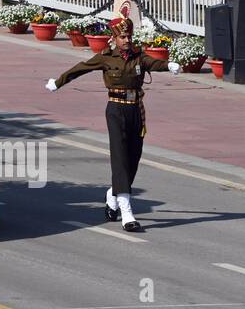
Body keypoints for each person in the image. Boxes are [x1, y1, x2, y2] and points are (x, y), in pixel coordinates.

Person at [46, 17, 181, 231]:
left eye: (129, 36)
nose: (127, 40)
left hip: (136, 109)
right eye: (123, 37)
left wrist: (168, 65)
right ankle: (127, 212)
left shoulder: (138, 56)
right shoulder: (106, 58)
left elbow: (152, 63)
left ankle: (113, 194)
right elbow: (81, 68)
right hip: (116, 110)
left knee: (133, 158)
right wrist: (58, 82)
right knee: (119, 157)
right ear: (114, 38)